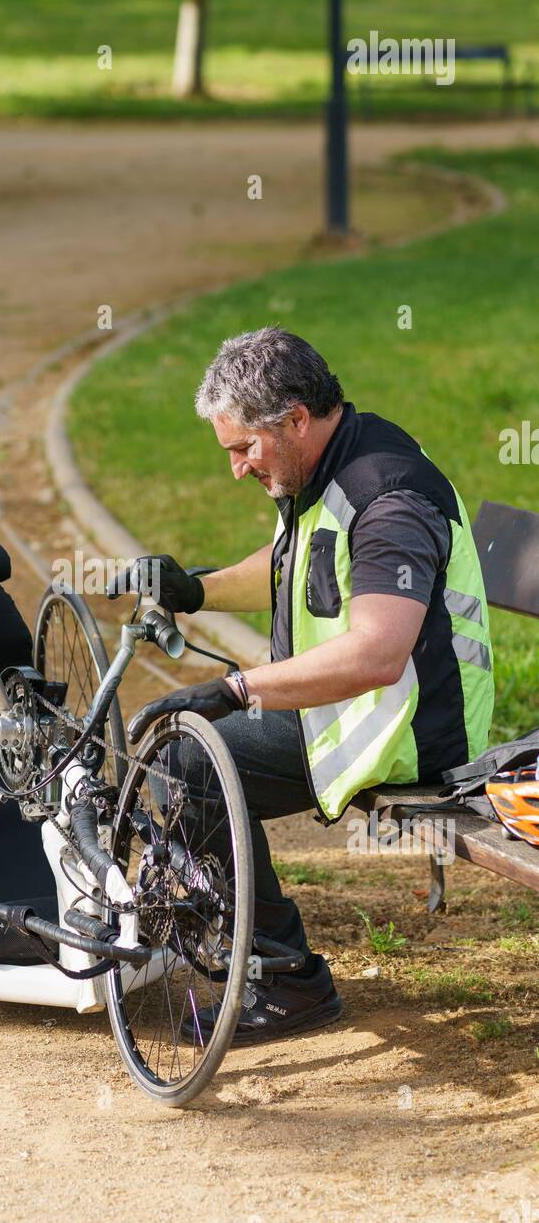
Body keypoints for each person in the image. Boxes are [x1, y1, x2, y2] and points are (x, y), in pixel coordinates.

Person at [125, 327, 494, 1047]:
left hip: (405, 727)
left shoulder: (388, 497)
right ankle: (241, 944)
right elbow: (296, 560)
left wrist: (237, 688)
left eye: (244, 449)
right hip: (359, 709)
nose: (236, 469)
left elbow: (379, 654)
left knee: (190, 760)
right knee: (180, 754)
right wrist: (193, 590)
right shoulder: (328, 462)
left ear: (295, 419)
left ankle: (286, 980)